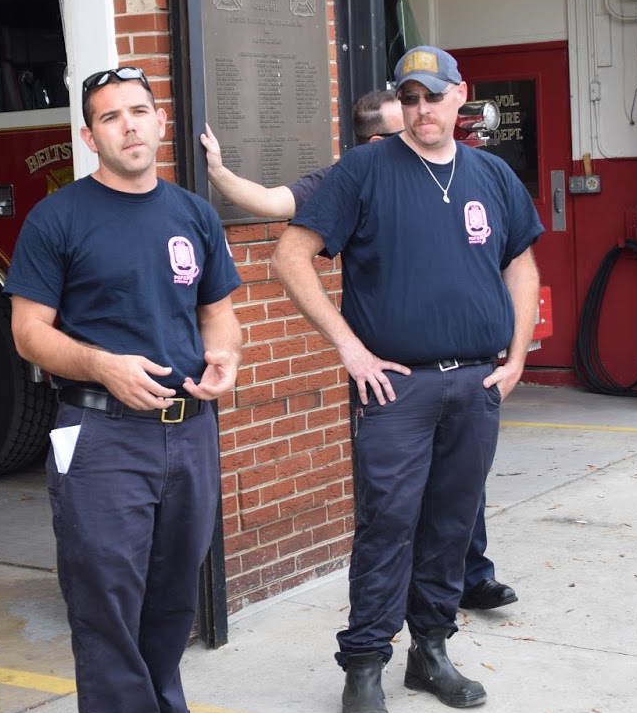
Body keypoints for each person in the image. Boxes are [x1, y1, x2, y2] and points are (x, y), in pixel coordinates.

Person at [273, 46, 542, 713]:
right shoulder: (364, 170)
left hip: (475, 382)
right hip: (397, 389)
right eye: (410, 98)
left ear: (461, 98)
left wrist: (516, 357)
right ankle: (364, 667)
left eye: (433, 96)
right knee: (388, 525)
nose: (422, 110)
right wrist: (347, 345)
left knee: (452, 526)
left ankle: (431, 650)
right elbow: (290, 256)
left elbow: (520, 265)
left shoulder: (492, 174)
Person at [6, 65, 242, 713]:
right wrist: (102, 365)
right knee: (108, 604)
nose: (130, 126)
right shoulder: (59, 219)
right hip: (98, 436)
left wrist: (225, 357)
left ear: (160, 121)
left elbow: (218, 314)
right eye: (111, 118)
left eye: (140, 111)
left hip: (188, 434)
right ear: (90, 135)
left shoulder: (192, 214)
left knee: (172, 604)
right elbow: (27, 333)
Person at [202, 90, 520, 613]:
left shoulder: (454, 169)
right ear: (377, 139)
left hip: (464, 372)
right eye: (404, 124)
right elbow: (273, 205)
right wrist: (218, 171)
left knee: (461, 491)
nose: (421, 127)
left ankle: (469, 576)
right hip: (397, 376)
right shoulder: (353, 174)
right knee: (395, 507)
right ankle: (381, 634)